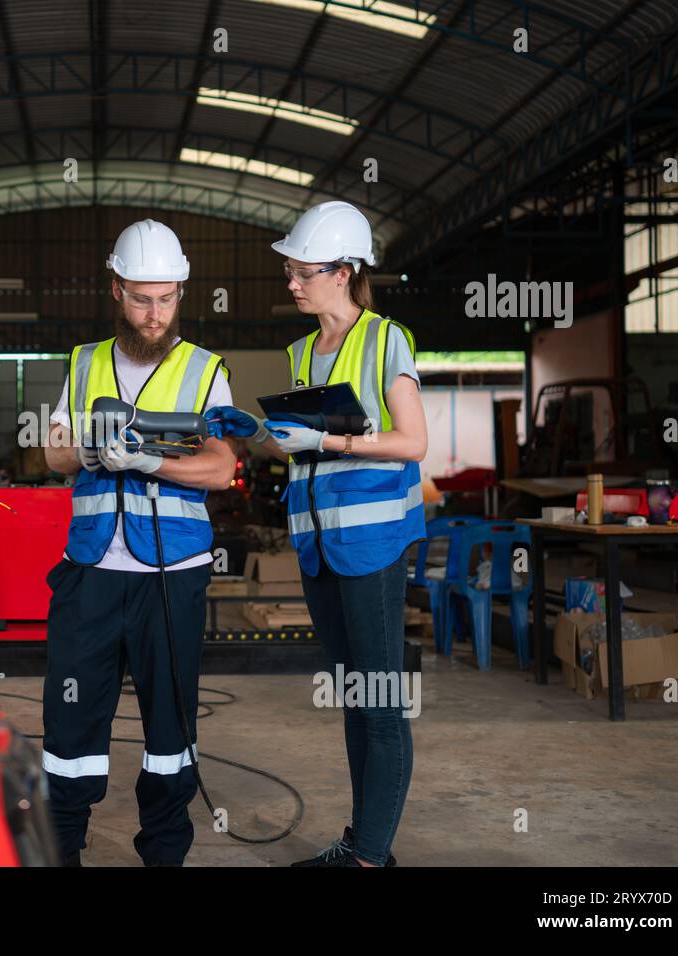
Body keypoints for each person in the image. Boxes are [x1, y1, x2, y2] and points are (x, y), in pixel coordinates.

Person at [206, 200, 427, 868]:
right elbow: (305, 450)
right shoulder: (302, 350)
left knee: (381, 703)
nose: (293, 283)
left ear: (345, 270)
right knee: (356, 698)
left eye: (304, 271)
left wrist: (326, 437)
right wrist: (261, 436)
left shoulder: (387, 339)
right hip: (318, 545)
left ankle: (368, 858)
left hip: (373, 544)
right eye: (292, 271)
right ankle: (362, 845)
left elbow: (412, 442)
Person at [42, 219, 237, 867]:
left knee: (169, 728)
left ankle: (163, 853)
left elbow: (221, 467)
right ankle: (62, 847)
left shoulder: (206, 371)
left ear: (181, 292)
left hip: (171, 575)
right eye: (139, 298)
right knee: (70, 723)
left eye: (166, 299)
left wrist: (152, 463)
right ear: (116, 288)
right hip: (91, 570)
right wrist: (88, 451)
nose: (153, 315)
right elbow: (53, 452)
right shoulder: (84, 360)